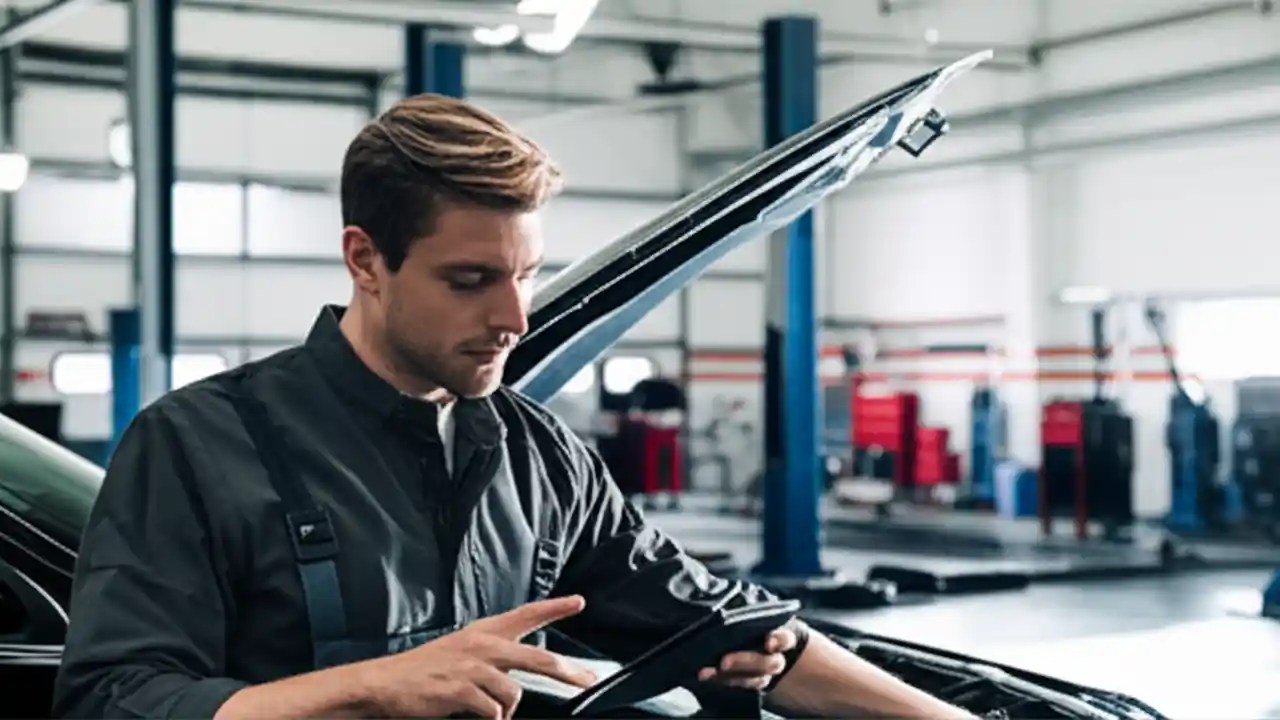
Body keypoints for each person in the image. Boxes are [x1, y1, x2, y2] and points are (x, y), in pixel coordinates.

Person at [52, 94, 971, 720]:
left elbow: (722, 619)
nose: (514, 317)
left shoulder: (538, 456)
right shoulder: (198, 445)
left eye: (526, 275)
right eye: (471, 280)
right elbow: (112, 699)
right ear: (365, 259)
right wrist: (372, 688)